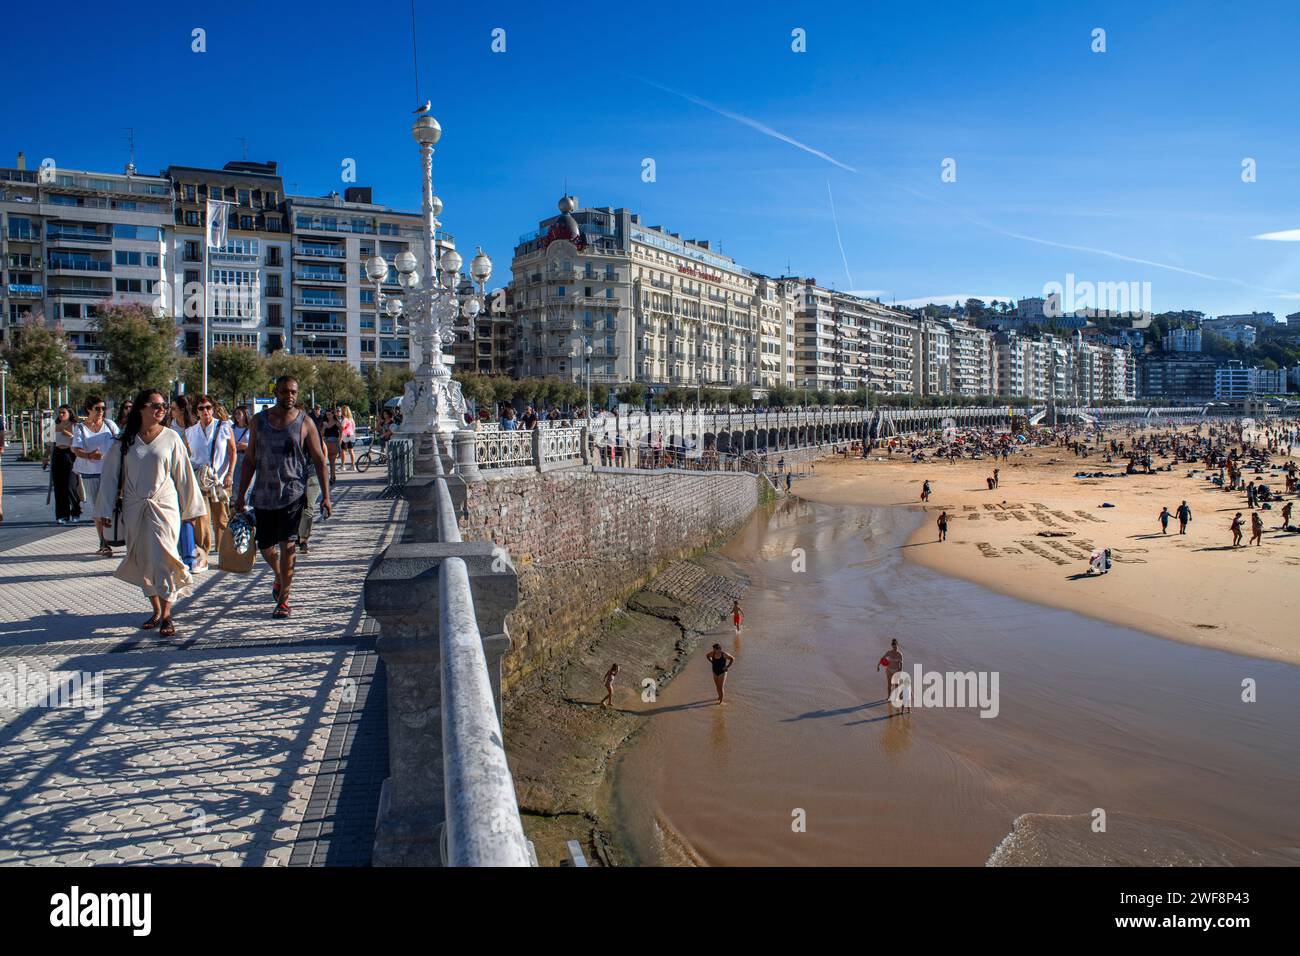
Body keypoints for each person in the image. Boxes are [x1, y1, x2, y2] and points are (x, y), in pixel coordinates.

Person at [93, 389, 207, 638]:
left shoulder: (171, 438)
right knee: (144, 561)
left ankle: (167, 615)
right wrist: (103, 511)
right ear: (141, 409)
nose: (161, 409)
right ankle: (156, 610)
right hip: (135, 508)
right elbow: (109, 478)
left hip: (164, 507)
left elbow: (184, 476)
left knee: (164, 559)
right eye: (155, 405)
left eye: (164, 405)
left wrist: (192, 509)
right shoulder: (124, 441)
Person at [234, 375, 332, 619]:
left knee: (288, 546)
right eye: (285, 391)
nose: (289, 396)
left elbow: (320, 461)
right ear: (275, 392)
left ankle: (284, 600)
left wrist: (326, 497)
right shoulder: (259, 421)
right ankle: (279, 576)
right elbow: (249, 460)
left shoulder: (305, 422)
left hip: (292, 494)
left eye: (293, 392)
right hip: (263, 495)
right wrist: (240, 494)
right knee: (265, 547)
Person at [184, 395, 237, 571]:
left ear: (213, 409)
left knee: (221, 518)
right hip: (200, 481)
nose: (205, 411)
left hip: (220, 480)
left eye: (208, 407)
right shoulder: (190, 432)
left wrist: (230, 473)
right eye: (201, 408)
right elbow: (190, 457)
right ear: (196, 412)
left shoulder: (223, 426)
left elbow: (232, 451)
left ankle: (224, 555)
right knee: (202, 519)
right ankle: (203, 556)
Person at [71, 396, 120, 556]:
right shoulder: (80, 428)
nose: (100, 411)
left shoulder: (110, 425)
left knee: (114, 506)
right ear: (88, 410)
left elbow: (120, 443)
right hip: (91, 472)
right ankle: (103, 542)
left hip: (111, 471)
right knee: (98, 508)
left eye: (102, 408)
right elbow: (76, 449)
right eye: (97, 408)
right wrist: (90, 456)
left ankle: (118, 537)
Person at [43, 404, 82, 525]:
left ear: (69, 413)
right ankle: (62, 515)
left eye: (63, 412)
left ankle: (75, 511)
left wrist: (68, 433)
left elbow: (79, 441)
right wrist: (46, 457)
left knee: (71, 485)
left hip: (70, 455)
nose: (61, 415)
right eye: (59, 412)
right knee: (59, 487)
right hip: (58, 454)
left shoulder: (76, 426)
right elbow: (49, 444)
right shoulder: (53, 426)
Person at [321, 408, 341, 485]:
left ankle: (332, 477)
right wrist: (324, 427)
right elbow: (321, 434)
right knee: (325, 461)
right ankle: (331, 476)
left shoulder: (336, 422)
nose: (328, 416)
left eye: (330, 414)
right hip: (326, 442)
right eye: (327, 414)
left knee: (332, 461)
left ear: (333, 414)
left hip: (334, 442)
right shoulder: (324, 422)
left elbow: (342, 431)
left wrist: (340, 440)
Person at [340, 405, 357, 471]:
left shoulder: (344, 419)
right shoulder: (351, 419)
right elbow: (353, 428)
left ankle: (343, 466)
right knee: (351, 450)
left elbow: (342, 428)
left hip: (345, 436)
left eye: (342, 410)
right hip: (351, 436)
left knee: (343, 451)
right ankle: (353, 465)